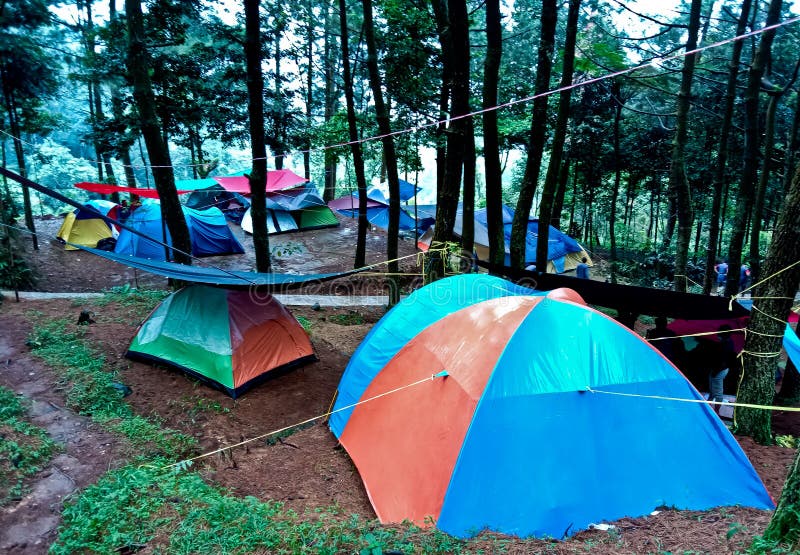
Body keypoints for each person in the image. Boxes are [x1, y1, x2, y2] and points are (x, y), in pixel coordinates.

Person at [709, 324, 736, 406]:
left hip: (720, 370)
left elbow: (723, 361)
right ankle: (709, 404)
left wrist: (715, 372)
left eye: (719, 332)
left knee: (718, 392)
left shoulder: (725, 345)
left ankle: (717, 410)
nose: (717, 333)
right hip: (720, 369)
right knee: (713, 390)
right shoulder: (728, 342)